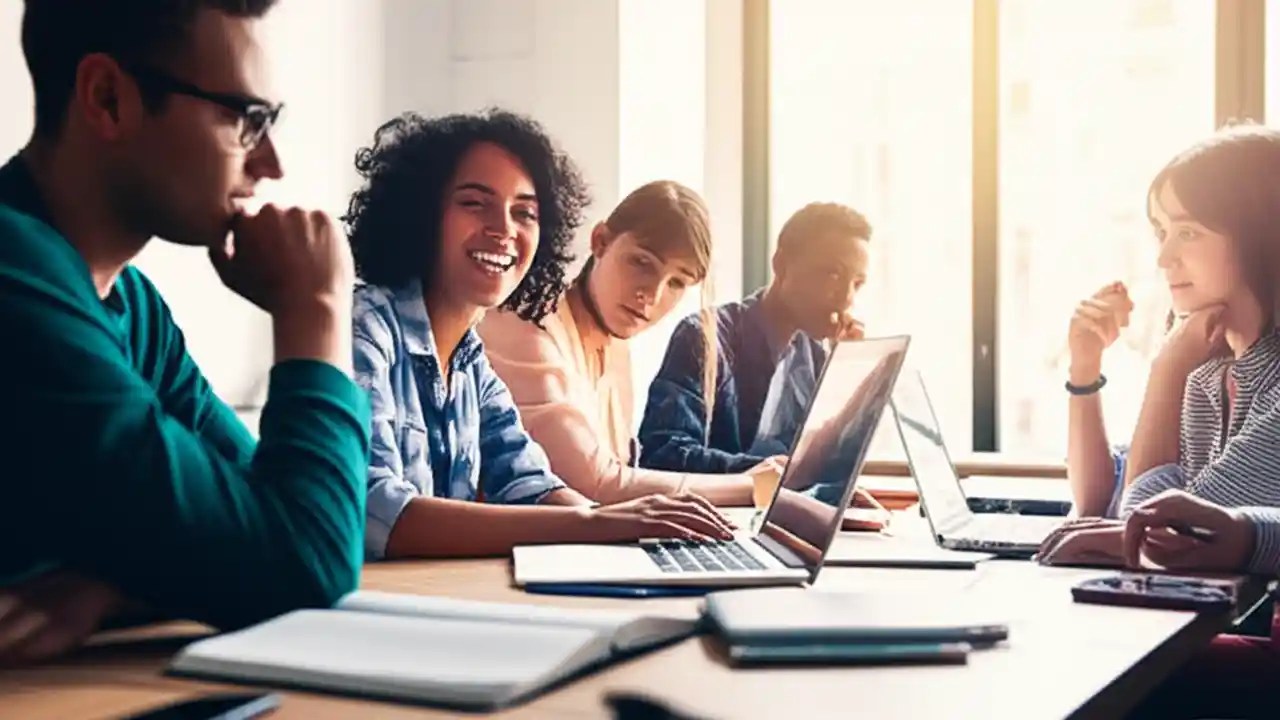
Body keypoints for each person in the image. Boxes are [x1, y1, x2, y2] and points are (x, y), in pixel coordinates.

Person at [0, 0, 371, 665]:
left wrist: (111, 584)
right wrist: (314, 308)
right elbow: (305, 557)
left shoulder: (133, 307)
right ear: (108, 98)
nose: (273, 164)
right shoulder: (14, 274)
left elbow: (281, 513)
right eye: (246, 119)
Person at [347, 112, 735, 561]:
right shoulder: (365, 327)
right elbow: (375, 511)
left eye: (524, 213)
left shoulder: (471, 360)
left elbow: (527, 482)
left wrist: (630, 543)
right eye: (475, 203)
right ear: (421, 212)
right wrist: (596, 523)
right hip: (350, 614)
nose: (504, 228)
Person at [1039, 124, 1280, 569]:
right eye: (1161, 232)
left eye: (1187, 233)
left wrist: (1165, 371)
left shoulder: (1244, 377)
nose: (1164, 258)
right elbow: (1103, 500)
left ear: (1258, 233)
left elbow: (1150, 533)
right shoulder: (1211, 372)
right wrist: (1084, 369)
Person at [479, 181, 782, 506]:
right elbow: (595, 483)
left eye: (677, 282)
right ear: (600, 242)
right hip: (492, 551)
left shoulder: (614, 344)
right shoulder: (529, 324)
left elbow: (619, 475)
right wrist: (752, 486)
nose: (652, 295)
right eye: (642, 262)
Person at [638, 202, 871, 473]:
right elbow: (664, 454)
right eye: (832, 274)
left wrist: (848, 376)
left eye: (857, 283)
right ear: (781, 265)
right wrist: (775, 475)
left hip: (782, 511)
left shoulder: (818, 357)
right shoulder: (706, 337)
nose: (847, 298)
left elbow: (831, 468)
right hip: (716, 512)